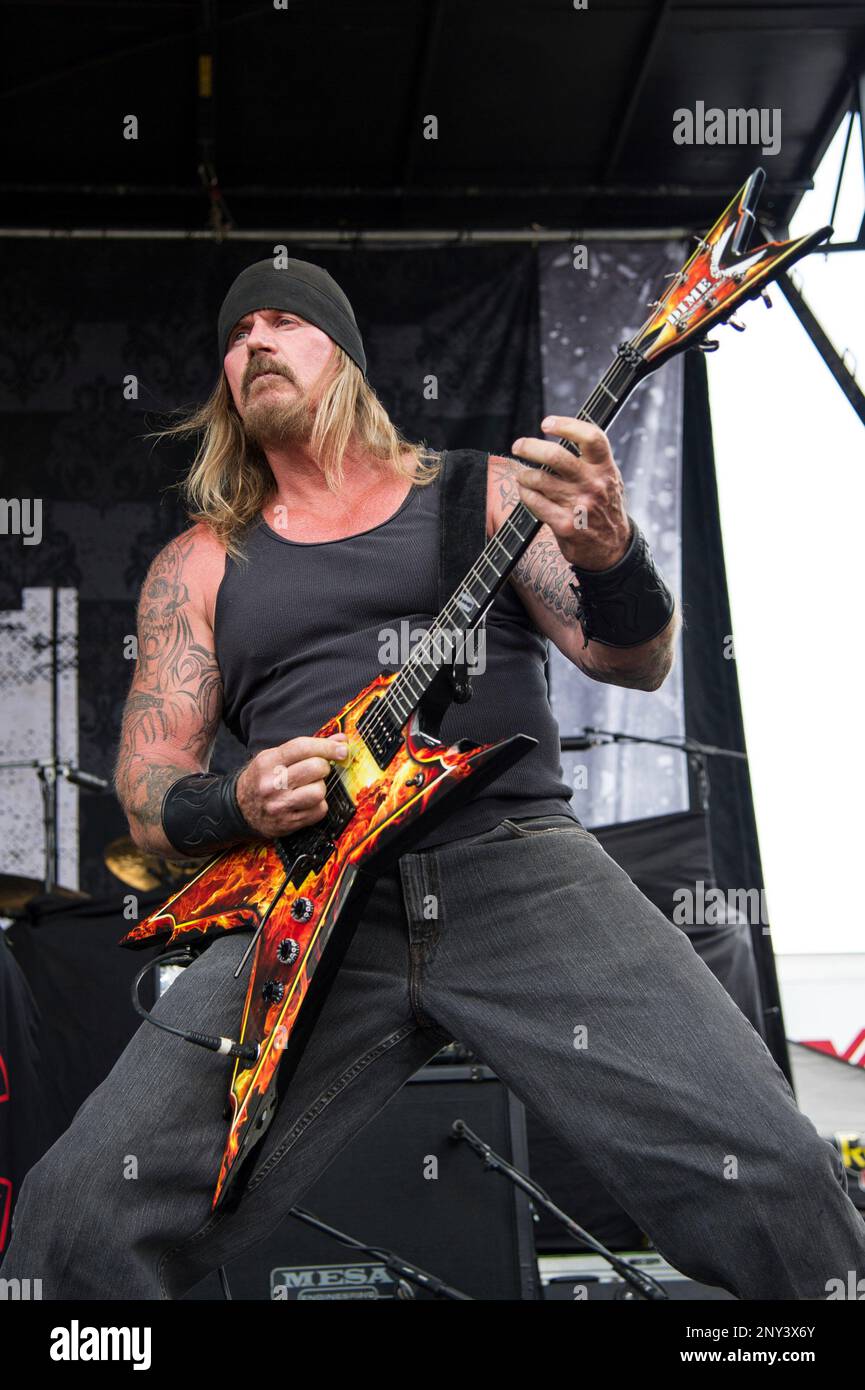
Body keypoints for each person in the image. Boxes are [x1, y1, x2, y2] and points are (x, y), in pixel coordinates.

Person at [2, 258, 862, 1300]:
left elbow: (633, 659)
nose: (254, 344)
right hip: (309, 908)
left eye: (284, 322)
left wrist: (611, 549)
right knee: (78, 1214)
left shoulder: (485, 492)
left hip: (516, 868)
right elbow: (148, 790)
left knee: (777, 1177)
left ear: (349, 358)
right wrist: (239, 798)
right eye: (235, 337)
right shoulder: (201, 561)